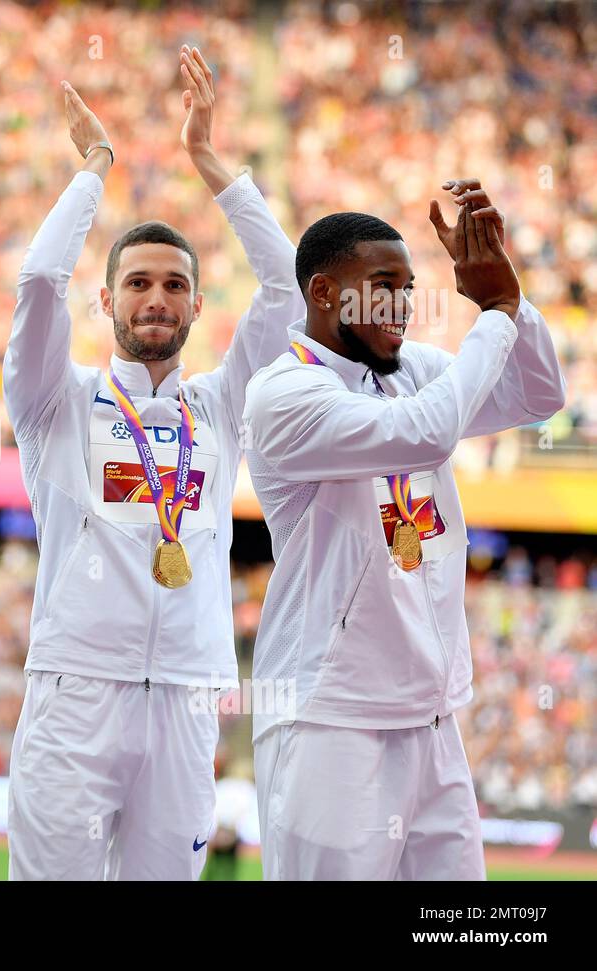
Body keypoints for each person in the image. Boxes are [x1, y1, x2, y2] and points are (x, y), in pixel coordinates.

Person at [3, 47, 304, 880]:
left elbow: (288, 292)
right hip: (75, 692)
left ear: (200, 305)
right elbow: (36, 282)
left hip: (184, 696)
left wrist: (212, 164)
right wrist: (95, 169)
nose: (157, 299)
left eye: (176, 284)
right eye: (137, 282)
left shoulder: (221, 403)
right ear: (106, 301)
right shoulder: (55, 400)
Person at [243, 181, 566, 879]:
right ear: (324, 292)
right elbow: (428, 433)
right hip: (333, 718)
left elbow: (538, 394)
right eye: (383, 284)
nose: (403, 303)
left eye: (410, 286)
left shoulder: (409, 369)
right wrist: (496, 316)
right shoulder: (284, 392)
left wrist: (507, 299)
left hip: (431, 717)